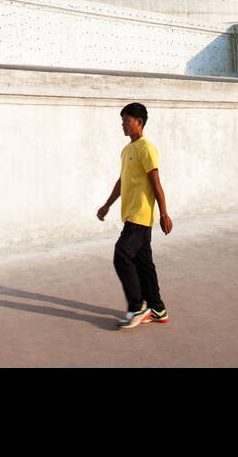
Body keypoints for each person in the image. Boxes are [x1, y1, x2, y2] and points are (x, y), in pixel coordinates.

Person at [96, 101, 171, 329]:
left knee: (122, 255)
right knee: (144, 263)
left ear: (139, 122)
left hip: (141, 215)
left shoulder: (146, 149)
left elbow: (156, 182)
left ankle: (137, 307)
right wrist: (107, 204)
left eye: (127, 121)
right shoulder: (127, 150)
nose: (123, 125)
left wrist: (164, 214)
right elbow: (122, 181)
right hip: (130, 214)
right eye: (122, 121)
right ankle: (157, 309)